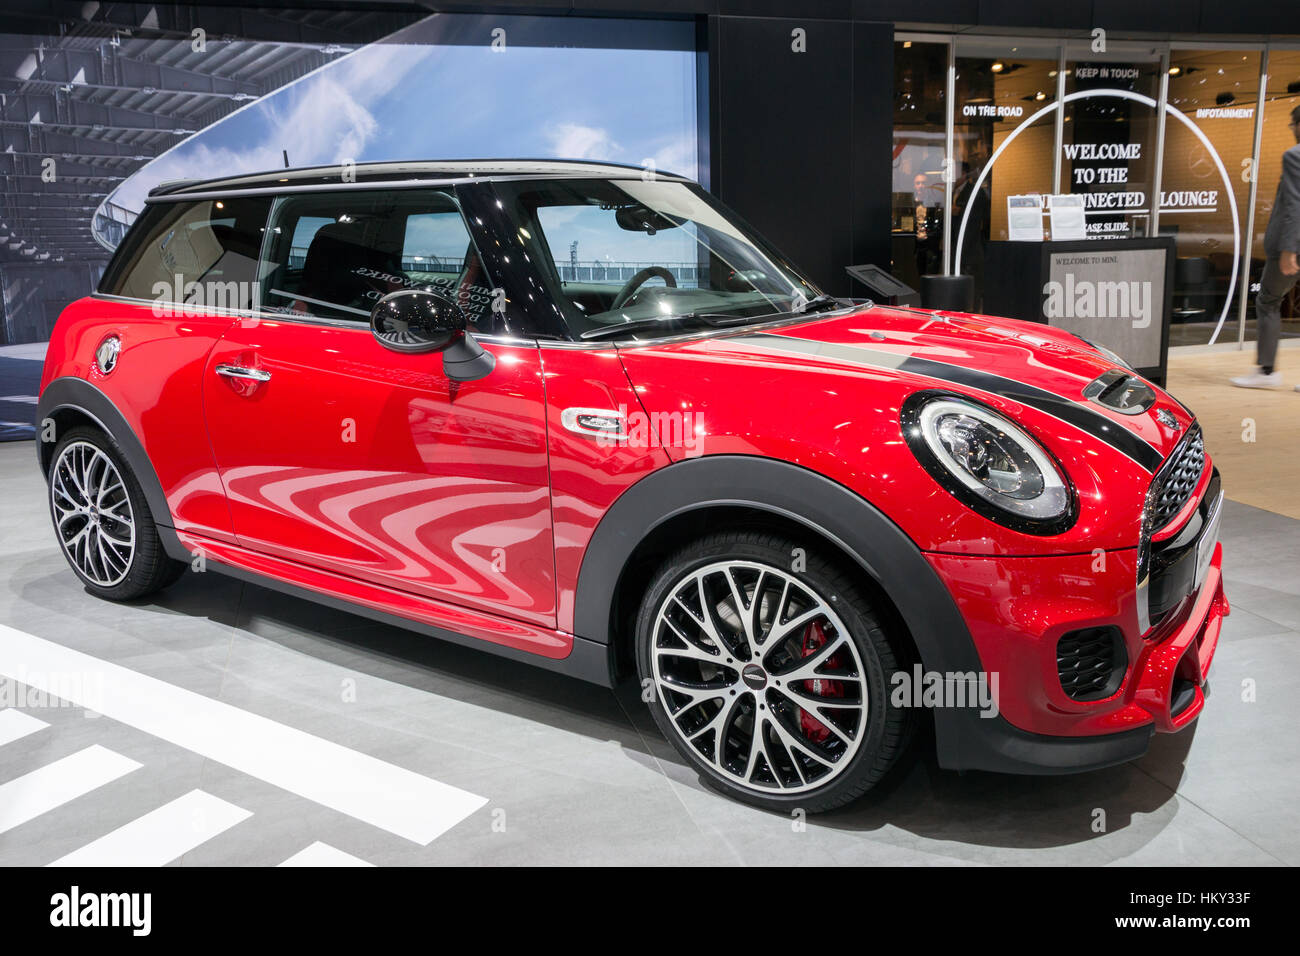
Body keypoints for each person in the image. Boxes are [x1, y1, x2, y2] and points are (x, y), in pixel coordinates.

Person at [1232, 103, 1300, 390]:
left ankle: (1267, 371)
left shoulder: (1294, 156)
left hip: (1292, 247)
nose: (1292, 130)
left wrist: (1288, 249)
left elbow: (1295, 205)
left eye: (1292, 124)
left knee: (1268, 300)